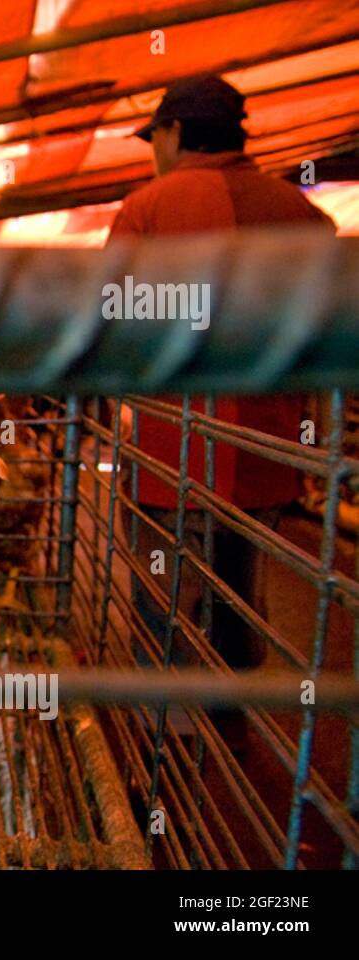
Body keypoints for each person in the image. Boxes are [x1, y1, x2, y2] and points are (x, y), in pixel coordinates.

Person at [108, 75, 335, 747]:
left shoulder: (148, 208)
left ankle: (170, 748)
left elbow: (109, 324)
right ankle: (231, 725)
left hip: (170, 454)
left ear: (174, 134)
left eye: (156, 138)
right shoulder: (303, 218)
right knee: (237, 588)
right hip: (267, 460)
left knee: (165, 591)